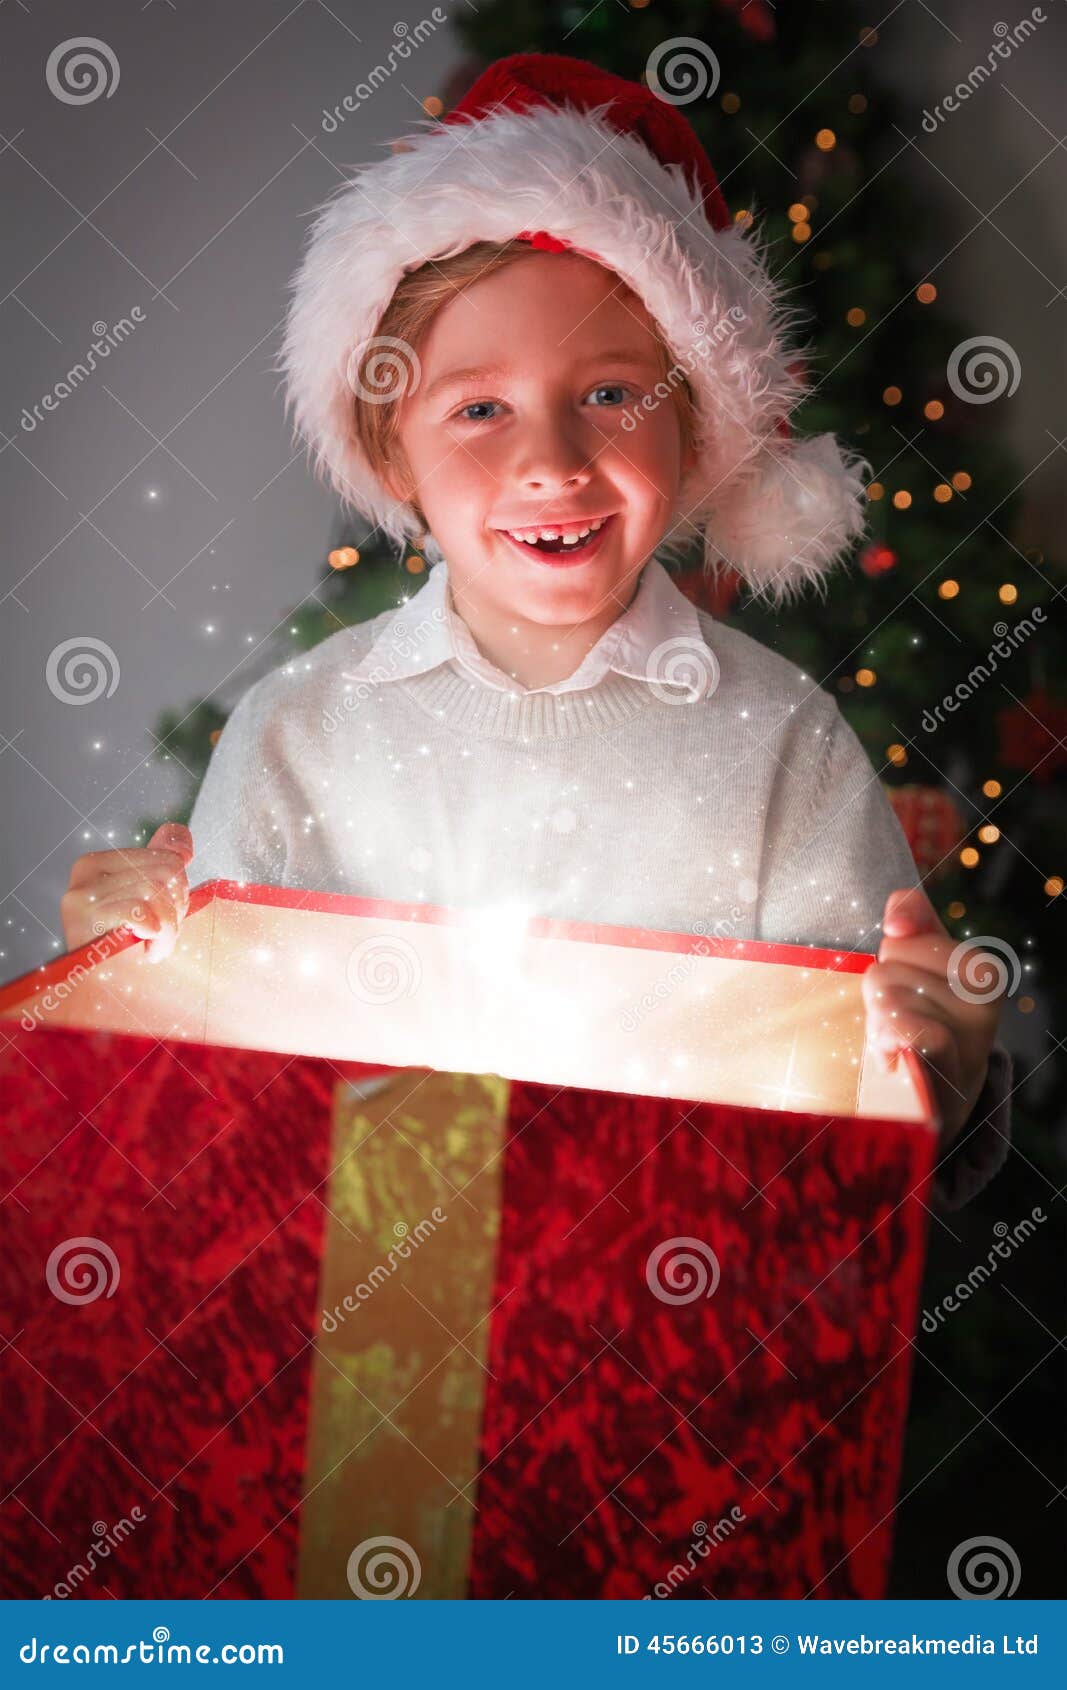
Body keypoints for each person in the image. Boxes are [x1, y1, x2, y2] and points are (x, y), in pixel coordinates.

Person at [59, 53, 1011, 1208]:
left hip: (675, 1353)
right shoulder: (295, 737)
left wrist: (936, 1084)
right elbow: (195, 1135)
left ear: (693, 423)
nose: (551, 463)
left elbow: (848, 1149)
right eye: (478, 409)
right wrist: (114, 996)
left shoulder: (782, 749)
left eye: (612, 394)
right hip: (365, 1352)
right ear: (388, 444)